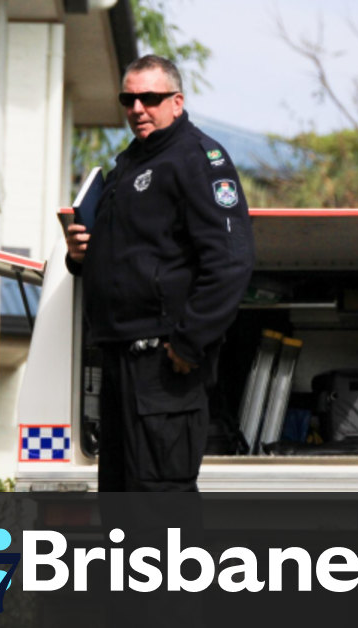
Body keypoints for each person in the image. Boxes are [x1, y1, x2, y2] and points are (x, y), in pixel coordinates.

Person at [64, 55, 254, 492]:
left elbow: (231, 260)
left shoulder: (198, 158)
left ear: (177, 101)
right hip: (118, 361)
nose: (137, 108)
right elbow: (125, 257)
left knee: (160, 505)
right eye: (128, 99)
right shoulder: (128, 165)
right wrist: (78, 255)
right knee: (119, 502)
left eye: (149, 98)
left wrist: (190, 342)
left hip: (164, 366)